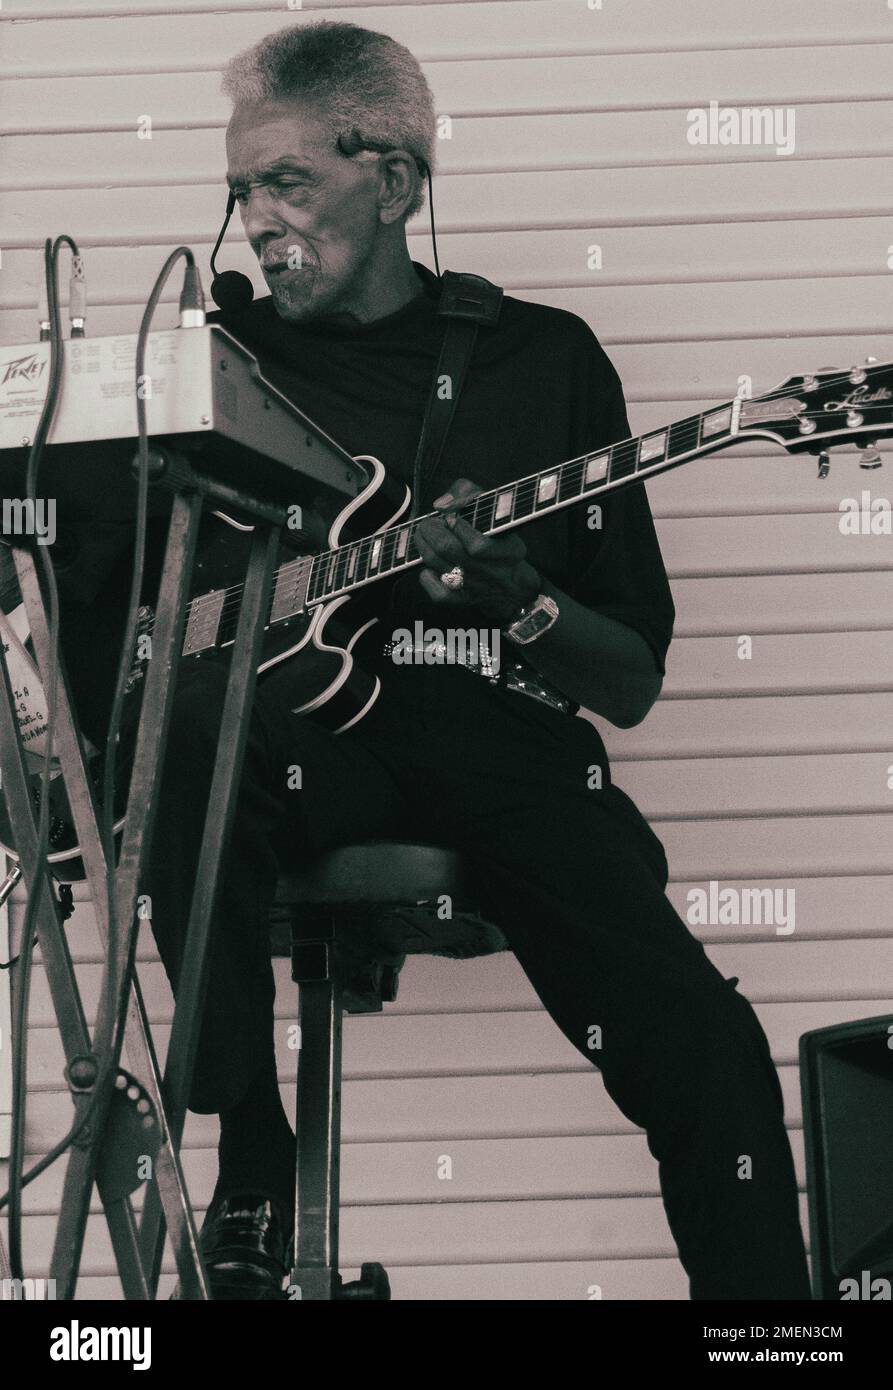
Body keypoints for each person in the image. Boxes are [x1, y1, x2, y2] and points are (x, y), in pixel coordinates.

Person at [61, 20, 811, 1300]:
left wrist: (521, 607)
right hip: (288, 747)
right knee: (195, 714)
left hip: (497, 748)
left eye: (287, 180)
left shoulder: (544, 362)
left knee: (702, 1041)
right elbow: (94, 604)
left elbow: (626, 678)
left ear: (397, 180)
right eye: (241, 186)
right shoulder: (204, 372)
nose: (254, 218)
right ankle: (251, 1148)